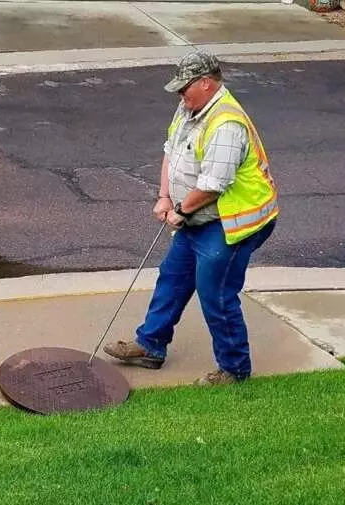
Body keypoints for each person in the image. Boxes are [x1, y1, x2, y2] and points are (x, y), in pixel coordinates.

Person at [103, 50, 278, 385]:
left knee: (216, 293)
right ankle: (150, 346)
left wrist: (181, 210)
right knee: (172, 276)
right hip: (198, 216)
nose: (180, 94)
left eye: (186, 87)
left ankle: (234, 369)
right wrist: (165, 197)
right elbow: (171, 152)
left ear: (207, 83)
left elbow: (214, 185)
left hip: (232, 223)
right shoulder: (190, 108)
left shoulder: (226, 124)